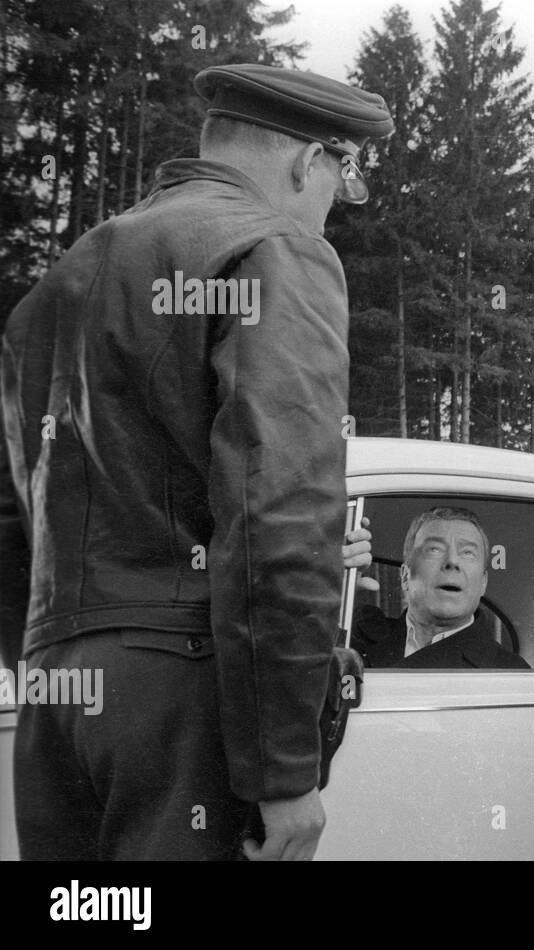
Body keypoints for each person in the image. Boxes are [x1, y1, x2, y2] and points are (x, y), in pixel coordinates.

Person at [0, 64, 393, 860]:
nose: (330, 209)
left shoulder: (54, 288)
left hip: (59, 700)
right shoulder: (273, 248)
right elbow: (278, 503)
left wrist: (44, 663)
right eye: (341, 176)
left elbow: (11, 514)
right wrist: (284, 767)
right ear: (307, 161)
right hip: (189, 697)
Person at [353, 507, 528, 670]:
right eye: (434, 549)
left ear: (483, 583)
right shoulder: (355, 636)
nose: (452, 561)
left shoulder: (509, 670)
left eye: (467, 552)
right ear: (405, 576)